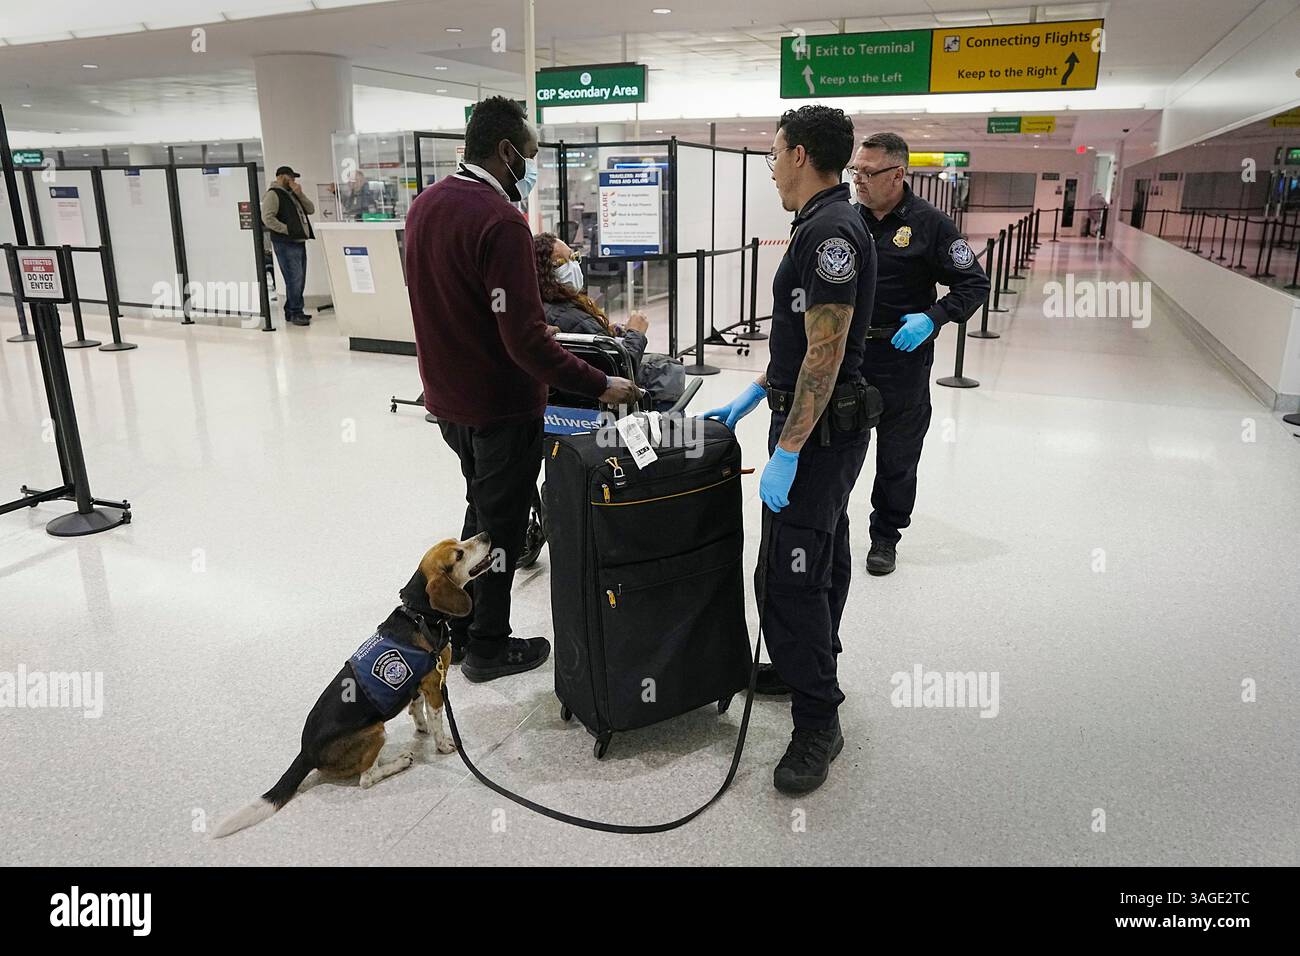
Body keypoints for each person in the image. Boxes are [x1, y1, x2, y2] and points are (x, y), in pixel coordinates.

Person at [404, 96, 641, 683]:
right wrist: (601, 383)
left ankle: (451, 623)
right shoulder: (501, 220)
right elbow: (526, 346)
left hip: (449, 401)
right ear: (507, 151)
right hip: (501, 405)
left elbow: (448, 303)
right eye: (529, 158)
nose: (529, 171)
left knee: (481, 509)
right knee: (502, 529)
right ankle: (487, 644)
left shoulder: (425, 205)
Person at [702, 105, 878, 795]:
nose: (771, 165)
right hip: (819, 427)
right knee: (824, 556)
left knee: (786, 580)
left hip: (819, 435)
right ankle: (815, 667)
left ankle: (818, 722)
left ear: (801, 155)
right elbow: (805, 343)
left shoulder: (832, 231)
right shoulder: (824, 221)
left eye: (774, 153)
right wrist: (759, 390)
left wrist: (790, 450)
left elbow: (827, 355)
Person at [849, 133, 990, 575]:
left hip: (901, 358)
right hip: (849, 356)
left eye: (869, 172)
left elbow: (974, 283)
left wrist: (934, 317)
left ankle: (885, 538)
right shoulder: (846, 221)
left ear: (898, 174)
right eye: (856, 171)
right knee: (839, 448)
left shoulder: (931, 224)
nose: (860, 180)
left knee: (897, 455)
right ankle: (828, 526)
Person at [532, 232, 685, 409]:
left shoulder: (540, 310)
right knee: (672, 371)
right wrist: (636, 332)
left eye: (574, 258)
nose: (573, 266)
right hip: (609, 400)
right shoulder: (570, 316)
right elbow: (620, 372)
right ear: (543, 271)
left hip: (574, 395)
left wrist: (608, 331)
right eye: (561, 262)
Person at [261, 165, 316, 327]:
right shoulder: (273, 194)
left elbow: (310, 209)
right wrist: (287, 230)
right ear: (282, 177)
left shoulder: (293, 194)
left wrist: (300, 193)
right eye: (291, 177)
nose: (293, 181)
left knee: (299, 278)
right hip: (286, 243)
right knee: (294, 279)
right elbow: (267, 218)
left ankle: (293, 310)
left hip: (298, 241)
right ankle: (295, 312)